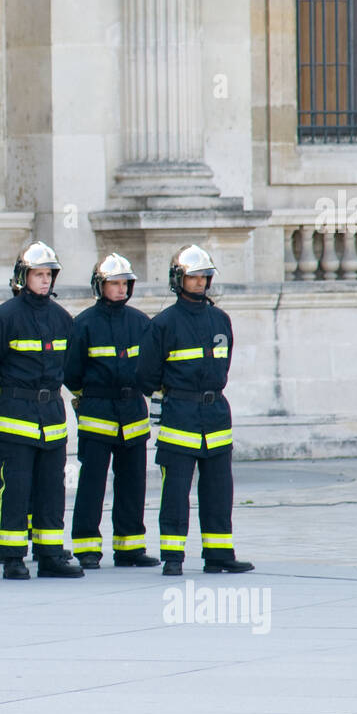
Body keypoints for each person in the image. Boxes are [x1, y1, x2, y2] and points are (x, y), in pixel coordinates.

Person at [136, 245, 253, 577]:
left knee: (219, 490)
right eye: (193, 276)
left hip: (215, 413)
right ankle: (173, 556)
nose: (200, 282)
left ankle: (219, 554)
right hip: (180, 415)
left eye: (204, 276)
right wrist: (173, 395)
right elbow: (146, 374)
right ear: (178, 280)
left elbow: (224, 365)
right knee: (176, 491)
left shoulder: (221, 320)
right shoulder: (163, 324)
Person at [0, 242, 83, 580]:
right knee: (16, 488)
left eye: (49, 274)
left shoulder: (62, 318)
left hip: (51, 416)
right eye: (38, 274)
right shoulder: (2, 317)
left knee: (52, 488)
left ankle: (50, 554)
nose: (45, 280)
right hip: (15, 416)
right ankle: (12, 556)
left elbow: (69, 366)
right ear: (23, 277)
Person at [64, 253, 158, 569]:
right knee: (91, 485)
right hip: (97, 414)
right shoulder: (83, 324)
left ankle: (130, 547)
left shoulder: (141, 323)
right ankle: (87, 547)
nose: (120, 289)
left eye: (124, 284)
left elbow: (150, 367)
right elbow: (71, 372)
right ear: (99, 286)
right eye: (113, 284)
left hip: (132, 413)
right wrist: (87, 397)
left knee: (133, 483)